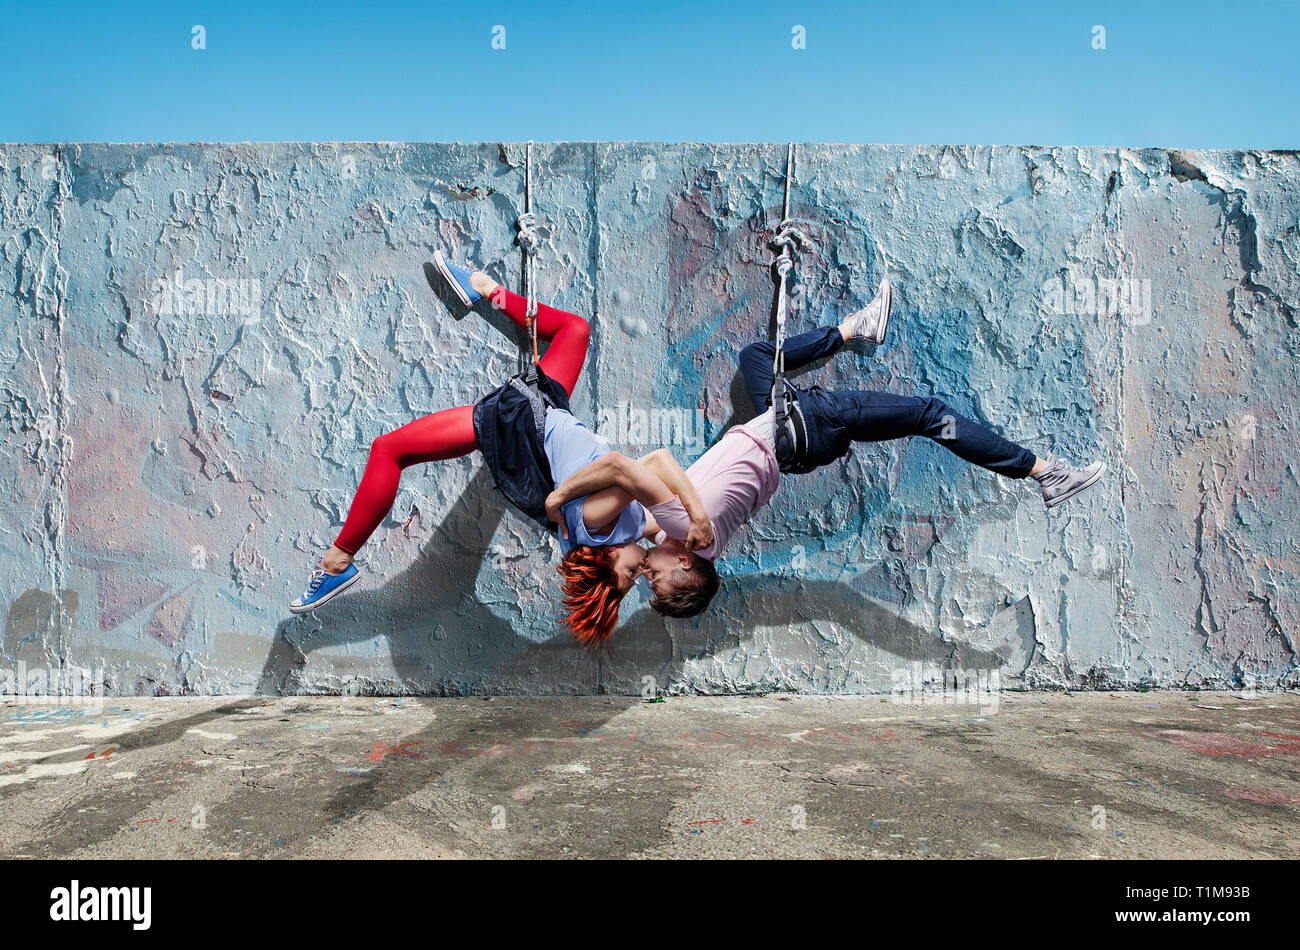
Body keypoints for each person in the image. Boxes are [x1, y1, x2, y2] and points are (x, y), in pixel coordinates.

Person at [544, 277, 1107, 620]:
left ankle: (853, 330)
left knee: (755, 360)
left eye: (650, 579)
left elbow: (633, 534)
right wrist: (568, 510)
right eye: (659, 578)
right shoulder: (691, 527)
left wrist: (586, 549)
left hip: (785, 437)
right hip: (803, 427)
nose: (650, 575)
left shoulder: (686, 539)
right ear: (687, 560)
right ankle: (1041, 471)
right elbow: (648, 468)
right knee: (930, 415)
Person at [289, 251, 713, 649]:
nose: (641, 571)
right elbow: (655, 485)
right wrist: (689, 536)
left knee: (389, 450)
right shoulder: (631, 533)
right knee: (575, 330)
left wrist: (691, 515)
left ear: (608, 556)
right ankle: (481, 287)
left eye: (630, 573)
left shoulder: (596, 527)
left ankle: (336, 563)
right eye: (644, 574)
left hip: (521, 420)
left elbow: (632, 468)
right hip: (548, 408)